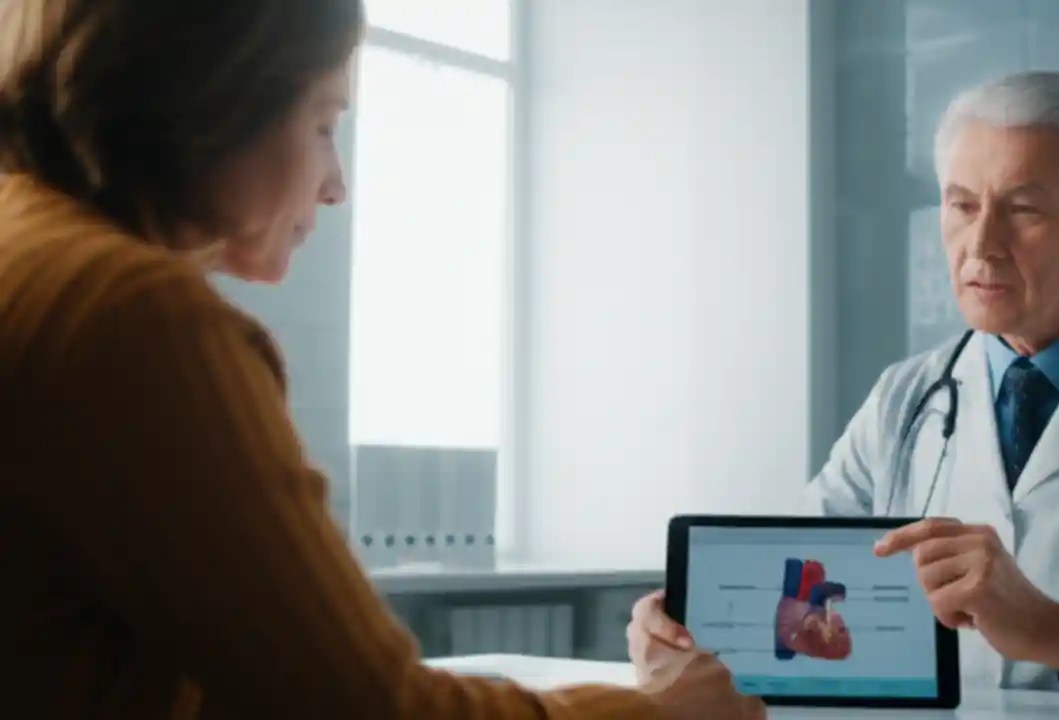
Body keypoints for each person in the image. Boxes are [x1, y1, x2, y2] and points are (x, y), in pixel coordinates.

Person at [0, 1, 766, 718]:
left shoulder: (25, 252)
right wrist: (661, 713)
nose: (336, 187)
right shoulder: (133, 317)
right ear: (215, 96)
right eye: (324, 123)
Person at [628, 71, 1059, 712]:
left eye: (1022, 209)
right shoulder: (904, 400)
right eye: (962, 204)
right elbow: (802, 575)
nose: (981, 244)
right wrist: (696, 632)